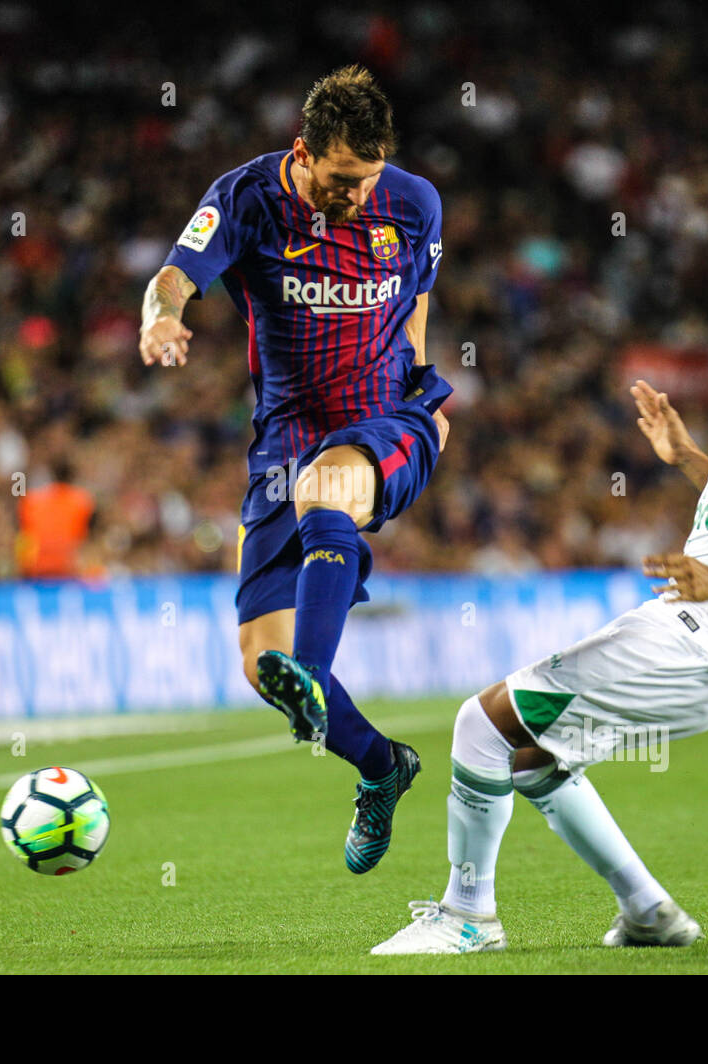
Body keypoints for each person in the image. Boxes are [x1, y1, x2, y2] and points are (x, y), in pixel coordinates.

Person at [372, 264, 708, 953]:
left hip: (701, 639)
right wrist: (689, 459)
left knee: (481, 724)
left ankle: (468, 915)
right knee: (530, 757)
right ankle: (648, 911)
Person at [138, 65, 450, 874]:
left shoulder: (415, 204)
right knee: (257, 662)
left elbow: (415, 301)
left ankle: (311, 676)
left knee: (328, 495)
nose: (355, 196)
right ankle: (383, 768)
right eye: (341, 180)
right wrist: (162, 321)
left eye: (367, 180)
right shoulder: (246, 199)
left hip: (386, 421)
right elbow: (175, 275)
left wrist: (424, 393)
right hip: (285, 441)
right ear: (303, 152)